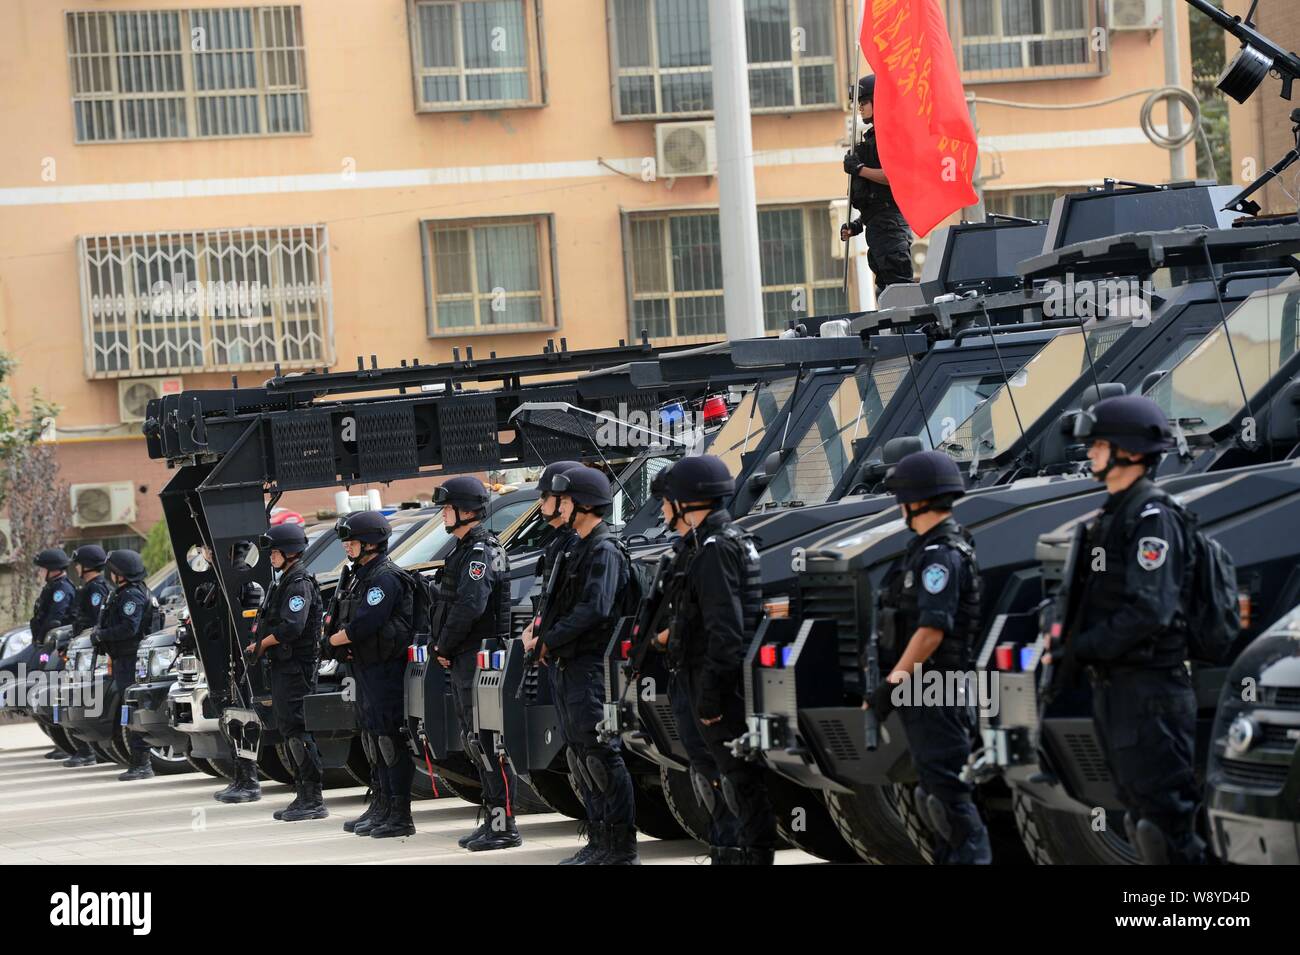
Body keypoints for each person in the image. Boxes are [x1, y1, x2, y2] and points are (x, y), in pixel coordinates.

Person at [1053, 395, 1205, 864]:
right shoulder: (1114, 516)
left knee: (1165, 826)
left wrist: (1083, 647)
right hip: (1119, 690)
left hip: (1151, 691)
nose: (1091, 453)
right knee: (1138, 820)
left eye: (1099, 443)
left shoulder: (1152, 517)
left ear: (1132, 452)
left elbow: (1149, 610)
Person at [866, 450, 991, 864]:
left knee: (949, 800)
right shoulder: (926, 550)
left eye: (901, 496)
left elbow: (931, 631)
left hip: (939, 690)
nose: (899, 506)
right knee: (933, 797)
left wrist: (892, 685)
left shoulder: (941, 555)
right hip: (928, 691)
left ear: (918, 500)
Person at [654, 456, 775, 864]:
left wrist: (709, 699)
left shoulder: (715, 549)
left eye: (667, 501)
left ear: (688, 502)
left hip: (718, 681)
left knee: (738, 780)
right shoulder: (722, 542)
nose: (663, 511)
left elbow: (726, 630)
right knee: (730, 779)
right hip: (717, 676)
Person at [523, 465, 638, 865]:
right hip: (567, 665)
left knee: (600, 754)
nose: (559, 505)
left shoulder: (604, 549)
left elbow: (596, 609)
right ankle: (600, 839)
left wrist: (548, 639)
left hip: (590, 666)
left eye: (566, 499)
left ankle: (620, 847)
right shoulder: (577, 547)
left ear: (585, 505)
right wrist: (538, 633)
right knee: (579, 755)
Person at [428, 476, 519, 851]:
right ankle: (493, 817)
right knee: (476, 740)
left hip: (479, 658)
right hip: (467, 658)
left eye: (448, 508)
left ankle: (504, 826)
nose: (444, 514)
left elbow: (471, 605)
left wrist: (444, 645)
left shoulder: (480, 550)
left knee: (489, 741)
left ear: (466, 510)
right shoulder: (463, 549)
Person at [326, 510, 417, 839]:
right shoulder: (360, 575)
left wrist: (331, 641)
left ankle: (400, 813)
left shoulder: (384, 577)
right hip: (365, 665)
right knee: (372, 735)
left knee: (388, 736)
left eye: (351, 541)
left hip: (385, 669)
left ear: (370, 543)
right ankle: (381, 805)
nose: (346, 547)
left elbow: (366, 623)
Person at [246, 523, 327, 822]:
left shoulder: (298, 583)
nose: (271, 556)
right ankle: (303, 794)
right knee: (290, 730)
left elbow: (293, 627)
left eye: (275, 551)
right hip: (284, 667)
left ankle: (313, 798)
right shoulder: (285, 580)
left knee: (298, 730)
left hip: (296, 668)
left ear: (290, 552)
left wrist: (263, 645)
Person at [840, 73, 914, 296]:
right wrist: (857, 225)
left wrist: (859, 169)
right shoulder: (872, 139)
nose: (860, 108)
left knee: (900, 294)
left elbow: (893, 178)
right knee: (886, 292)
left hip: (891, 229)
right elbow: (878, 199)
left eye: (864, 103)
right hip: (879, 228)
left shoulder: (891, 136)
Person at [92, 550, 155, 782]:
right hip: (122, 660)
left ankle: (142, 764)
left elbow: (130, 628)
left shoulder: (131, 596)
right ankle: (137, 762)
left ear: (120, 572)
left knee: (133, 710)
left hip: (131, 661)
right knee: (128, 711)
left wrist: (102, 635)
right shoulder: (123, 593)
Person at [61, 545, 111, 767]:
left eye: (79, 564)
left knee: (84, 699)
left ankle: (89, 751)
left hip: (90, 656)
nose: (77, 568)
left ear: (87, 565)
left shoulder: (96, 590)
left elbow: (94, 622)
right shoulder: (90, 588)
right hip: (82, 654)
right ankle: (88, 750)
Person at [31, 548, 77, 760]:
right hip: (46, 647)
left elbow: (55, 620)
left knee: (56, 692)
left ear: (52, 570)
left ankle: (70, 744)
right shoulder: (52, 587)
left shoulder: (62, 589)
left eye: (43, 569)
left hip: (56, 650)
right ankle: (62, 742)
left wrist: (45, 643)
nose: (40, 572)